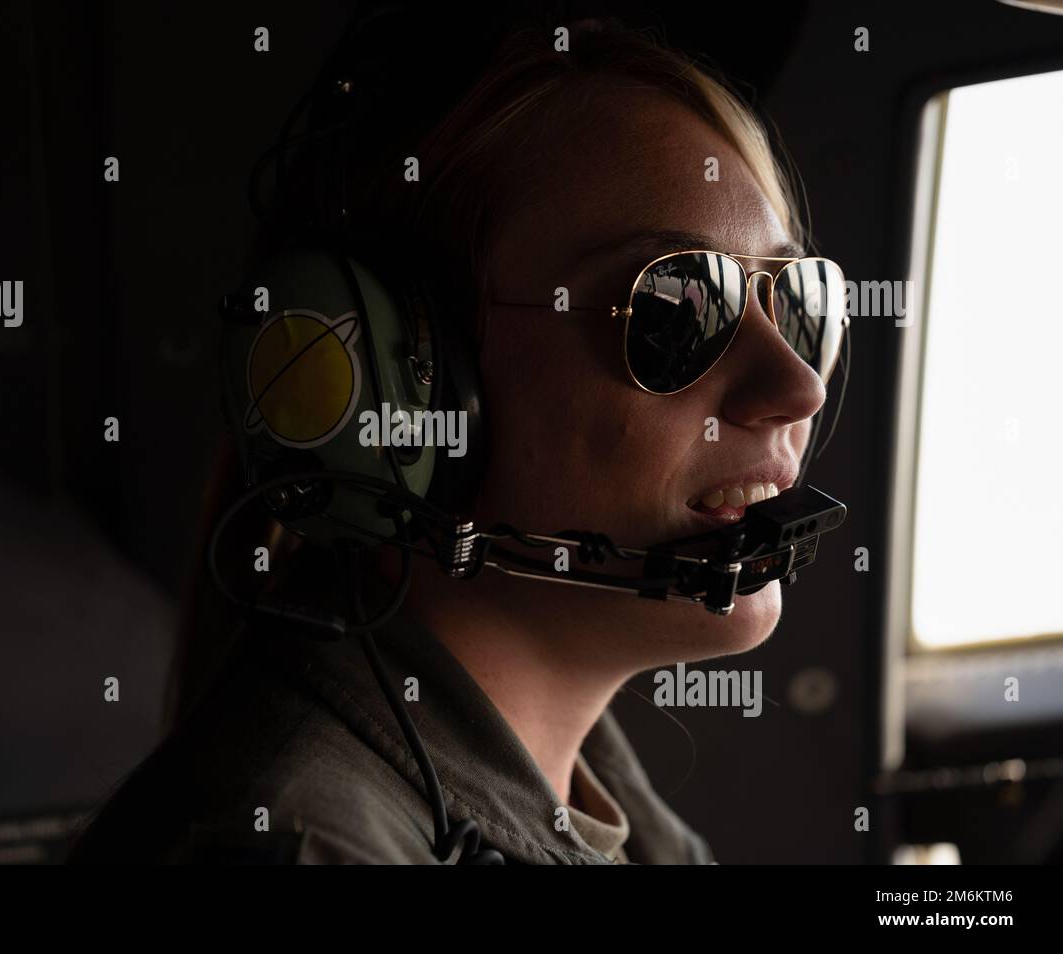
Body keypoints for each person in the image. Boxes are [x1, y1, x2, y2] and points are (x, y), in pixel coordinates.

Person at [68, 14, 838, 865]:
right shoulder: (302, 845)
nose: (797, 388)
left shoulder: (596, 802)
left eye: (795, 300)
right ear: (403, 384)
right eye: (676, 306)